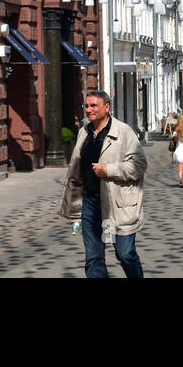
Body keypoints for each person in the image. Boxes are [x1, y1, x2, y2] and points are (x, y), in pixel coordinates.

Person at [58, 90, 147, 278]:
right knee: (93, 258)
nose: (88, 110)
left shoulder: (123, 132)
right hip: (90, 203)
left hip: (117, 203)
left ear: (107, 107)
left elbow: (139, 165)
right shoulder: (85, 131)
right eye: (86, 106)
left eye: (93, 106)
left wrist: (109, 170)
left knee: (125, 254)